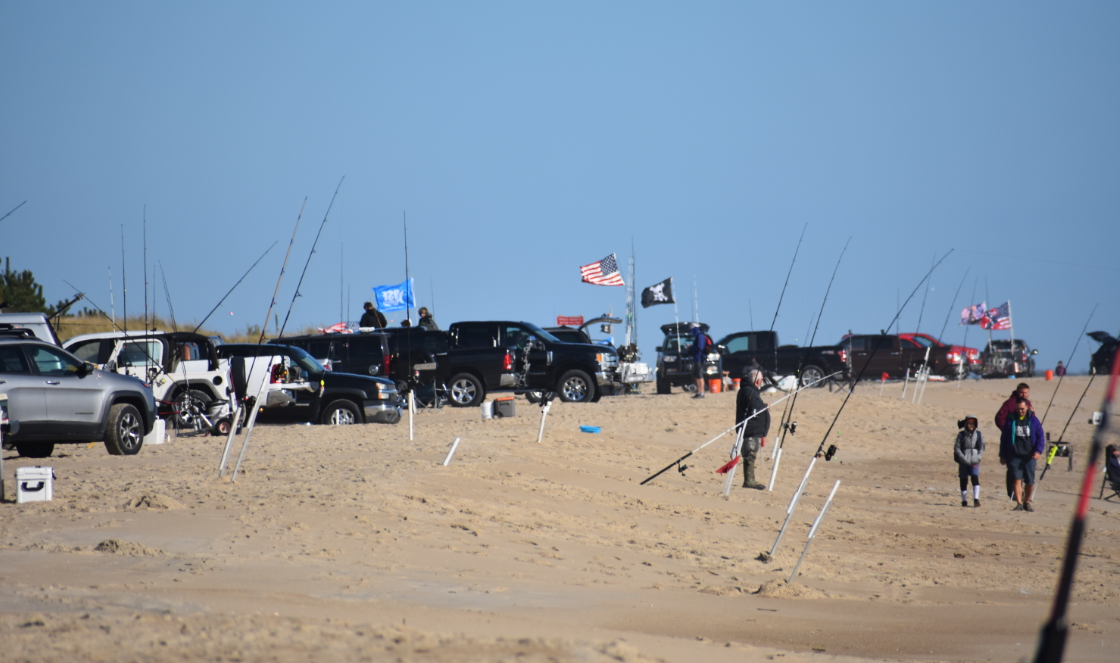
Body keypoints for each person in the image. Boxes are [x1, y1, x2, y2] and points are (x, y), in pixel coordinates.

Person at [999, 397, 1045, 512]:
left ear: (1027, 408)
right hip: (1014, 455)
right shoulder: (1010, 420)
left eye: (1022, 409)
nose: (1020, 411)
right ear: (1015, 408)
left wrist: (1038, 451)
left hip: (1030, 456)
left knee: (1030, 482)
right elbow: (1004, 439)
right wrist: (1002, 455)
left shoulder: (1033, 420)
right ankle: (1019, 503)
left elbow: (1040, 437)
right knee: (1016, 479)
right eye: (1018, 409)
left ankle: (1027, 502)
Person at [734, 368, 771, 489]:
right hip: (750, 429)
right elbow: (754, 409)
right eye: (760, 381)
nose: (761, 383)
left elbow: (755, 406)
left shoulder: (749, 390)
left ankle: (749, 480)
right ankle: (749, 481)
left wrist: (763, 406)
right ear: (758, 381)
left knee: (751, 452)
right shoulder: (748, 391)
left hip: (752, 429)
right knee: (750, 452)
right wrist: (763, 408)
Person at [953, 415, 984, 507]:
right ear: (966, 424)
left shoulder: (978, 434)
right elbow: (956, 448)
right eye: (969, 423)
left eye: (973, 423)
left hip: (975, 461)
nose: (971, 425)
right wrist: (962, 457)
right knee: (963, 480)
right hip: (963, 461)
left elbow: (982, 447)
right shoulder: (961, 435)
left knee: (975, 478)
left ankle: (976, 499)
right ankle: (964, 501)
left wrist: (978, 457)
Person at [690, 323, 707, 399]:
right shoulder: (697, 336)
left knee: (700, 376)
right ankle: (698, 392)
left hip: (699, 359)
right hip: (696, 359)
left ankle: (701, 392)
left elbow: (700, 347)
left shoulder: (700, 336)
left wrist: (691, 347)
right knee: (696, 376)